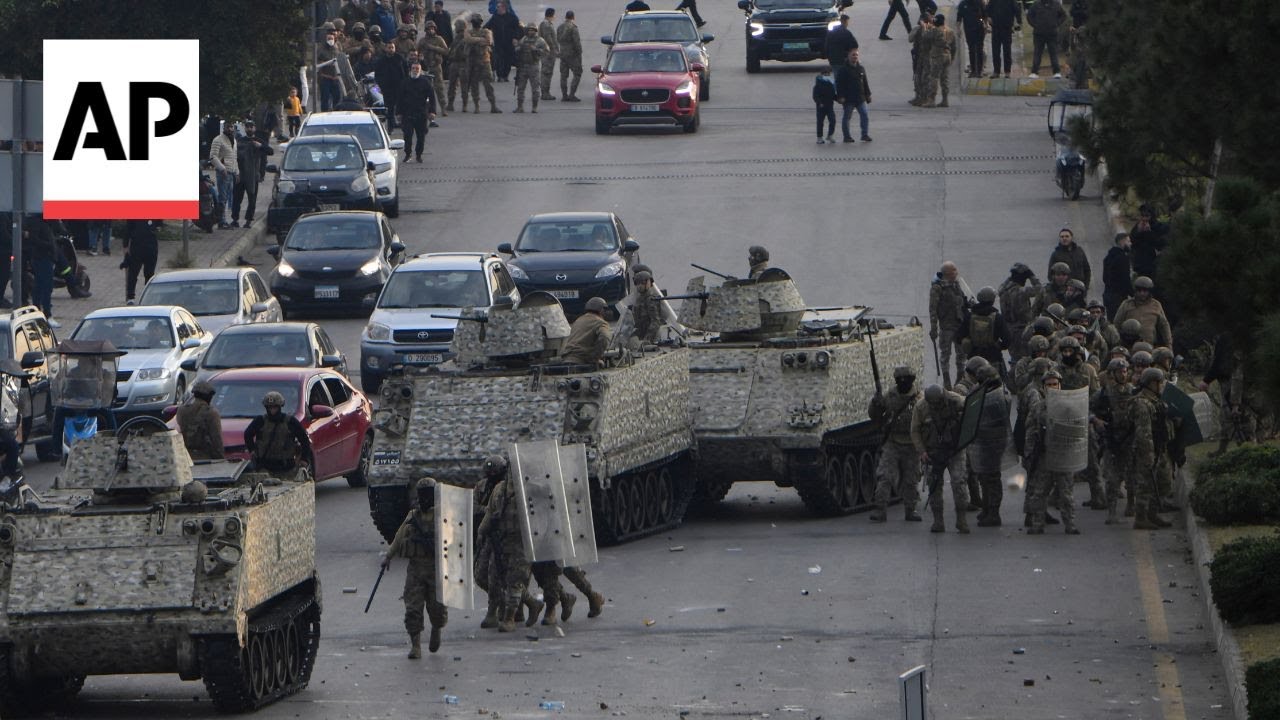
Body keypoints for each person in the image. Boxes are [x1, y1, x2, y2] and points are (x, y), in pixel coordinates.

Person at [382, 477, 448, 658]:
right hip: (416, 569)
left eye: (427, 494)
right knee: (413, 608)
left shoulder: (442, 515)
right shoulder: (413, 516)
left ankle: (436, 628)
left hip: (436, 568)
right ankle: (416, 645)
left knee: (437, 608)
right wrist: (388, 556)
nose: (424, 498)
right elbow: (399, 536)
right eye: (422, 494)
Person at [475, 452, 531, 632]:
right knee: (491, 578)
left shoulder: (527, 488)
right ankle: (524, 604)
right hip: (499, 539)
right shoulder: (499, 489)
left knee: (515, 579)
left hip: (520, 540)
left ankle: (510, 617)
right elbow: (490, 513)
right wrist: (481, 532)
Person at [1022, 369, 1078, 534]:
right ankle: (1037, 524)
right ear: (1044, 387)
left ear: (1060, 385)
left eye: (1055, 384)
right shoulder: (1038, 408)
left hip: (1063, 457)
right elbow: (1030, 431)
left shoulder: (1069, 407)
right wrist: (1029, 455)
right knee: (1039, 492)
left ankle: (1070, 524)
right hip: (1044, 457)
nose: (1052, 387)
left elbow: (1077, 431)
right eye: (1049, 385)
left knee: (1066, 494)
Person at [911, 384, 970, 533]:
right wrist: (922, 451)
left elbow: (970, 409)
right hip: (933, 452)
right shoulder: (921, 407)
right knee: (934, 485)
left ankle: (961, 519)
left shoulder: (955, 400)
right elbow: (915, 431)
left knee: (959, 482)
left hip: (954, 450)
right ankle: (938, 521)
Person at [867, 366, 923, 523]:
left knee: (911, 479)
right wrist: (875, 403)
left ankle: (910, 510)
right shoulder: (890, 396)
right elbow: (875, 416)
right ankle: (880, 509)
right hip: (893, 442)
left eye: (906, 381)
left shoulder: (919, 399)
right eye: (900, 381)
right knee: (885, 476)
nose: (903, 383)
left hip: (911, 444)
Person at [1129, 367, 1171, 530]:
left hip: (1159, 447)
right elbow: (1143, 432)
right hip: (1147, 450)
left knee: (1163, 482)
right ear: (1151, 383)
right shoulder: (1142, 403)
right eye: (1158, 382)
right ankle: (1140, 517)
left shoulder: (1156, 400)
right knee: (1145, 485)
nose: (1161, 385)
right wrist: (1148, 455)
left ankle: (1152, 514)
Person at [971, 365, 1011, 526]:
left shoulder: (1000, 396)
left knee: (992, 478)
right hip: (983, 440)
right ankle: (986, 508)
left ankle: (994, 513)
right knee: (983, 476)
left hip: (995, 442)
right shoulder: (987, 393)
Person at [243, 391, 313, 480]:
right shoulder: (260, 421)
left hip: (287, 468)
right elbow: (247, 434)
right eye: (270, 407)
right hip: (264, 467)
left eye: (275, 407)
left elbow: (304, 440)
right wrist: (252, 450)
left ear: (280, 407)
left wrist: (304, 459)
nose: (272, 410)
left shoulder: (290, 422)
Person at [929, 261, 967, 389]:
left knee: (961, 354)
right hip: (946, 327)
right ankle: (946, 381)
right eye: (954, 270)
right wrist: (933, 328)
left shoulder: (956, 284)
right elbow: (933, 309)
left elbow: (963, 301)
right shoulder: (937, 288)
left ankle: (960, 380)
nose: (956, 273)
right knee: (945, 354)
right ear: (947, 273)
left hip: (959, 325)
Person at [957, 286, 1011, 375]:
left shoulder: (970, 316)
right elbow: (1007, 340)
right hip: (993, 357)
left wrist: (969, 343)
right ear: (992, 300)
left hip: (974, 359)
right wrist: (999, 346)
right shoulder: (997, 317)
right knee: (996, 381)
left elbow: (958, 337)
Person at [232, 120, 273, 229]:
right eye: (247, 127)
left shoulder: (259, 141)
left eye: (251, 127)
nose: (249, 129)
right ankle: (235, 220)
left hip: (253, 176)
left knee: (252, 200)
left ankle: (248, 221)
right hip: (240, 175)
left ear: (254, 128)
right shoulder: (240, 141)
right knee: (237, 199)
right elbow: (234, 156)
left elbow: (270, 151)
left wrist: (260, 146)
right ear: (245, 128)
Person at [1112, 276, 1172, 348]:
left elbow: (1164, 325)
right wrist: (1117, 343)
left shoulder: (1156, 305)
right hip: (1129, 345)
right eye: (1139, 291)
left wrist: (1169, 344)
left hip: (1149, 346)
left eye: (1145, 291)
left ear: (1149, 291)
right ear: (1135, 291)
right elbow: (1116, 324)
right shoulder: (1127, 304)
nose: (1142, 293)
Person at [998, 263, 1040, 360]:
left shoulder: (1002, 290)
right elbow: (1040, 289)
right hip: (1023, 330)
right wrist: (1031, 276)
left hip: (1009, 330)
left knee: (1014, 359)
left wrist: (1011, 277)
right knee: (1026, 359)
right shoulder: (1023, 291)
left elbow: (1003, 286)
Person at [399, 60, 438, 162]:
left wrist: (432, 111)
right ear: (410, 70)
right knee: (407, 136)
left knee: (421, 136)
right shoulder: (405, 82)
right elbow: (399, 99)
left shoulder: (425, 82)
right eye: (413, 68)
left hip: (421, 113)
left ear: (420, 70)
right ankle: (408, 154)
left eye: (417, 69)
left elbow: (432, 98)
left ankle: (419, 154)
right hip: (407, 113)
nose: (415, 70)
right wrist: (398, 113)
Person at [176, 380, 225, 460]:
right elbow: (216, 439)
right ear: (210, 397)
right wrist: (221, 458)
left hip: (186, 457)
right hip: (205, 457)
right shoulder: (211, 413)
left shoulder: (182, 410)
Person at [22, 216, 56, 325]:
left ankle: (39, 310)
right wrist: (48, 245)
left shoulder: (44, 222)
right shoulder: (37, 222)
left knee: (41, 285)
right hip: (41, 257)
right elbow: (34, 239)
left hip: (45, 257)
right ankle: (46, 313)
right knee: (45, 286)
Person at [464, 13, 501, 113]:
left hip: (485, 61)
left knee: (488, 85)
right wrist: (481, 40)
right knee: (474, 85)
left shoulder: (486, 31)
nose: (476, 23)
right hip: (473, 62)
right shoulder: (468, 32)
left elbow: (489, 41)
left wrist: (475, 40)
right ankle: (477, 106)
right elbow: (468, 40)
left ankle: (493, 106)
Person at [833, 48, 872, 143]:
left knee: (864, 115)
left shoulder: (861, 68)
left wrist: (868, 94)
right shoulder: (843, 70)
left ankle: (864, 135)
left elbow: (865, 82)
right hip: (848, 99)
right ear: (848, 56)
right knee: (847, 117)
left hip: (860, 98)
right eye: (853, 55)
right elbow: (839, 84)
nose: (855, 56)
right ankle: (847, 137)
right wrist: (840, 96)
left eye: (856, 55)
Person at [561, 296, 611, 365]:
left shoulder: (578, 320)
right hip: (581, 361)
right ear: (601, 310)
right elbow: (604, 338)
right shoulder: (601, 323)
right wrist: (595, 358)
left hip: (566, 359)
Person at [512, 23, 549, 112]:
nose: (530, 32)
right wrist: (517, 47)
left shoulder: (540, 40)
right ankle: (520, 107)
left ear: (535, 31)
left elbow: (546, 51)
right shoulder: (524, 39)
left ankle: (534, 107)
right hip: (523, 67)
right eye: (529, 30)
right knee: (520, 88)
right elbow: (517, 50)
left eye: (532, 30)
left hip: (533, 66)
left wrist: (536, 49)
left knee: (535, 88)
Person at [207, 122, 238, 229]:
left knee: (228, 198)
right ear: (223, 128)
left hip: (232, 172)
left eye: (231, 127)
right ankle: (221, 221)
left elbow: (234, 157)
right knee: (222, 198)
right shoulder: (218, 140)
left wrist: (237, 172)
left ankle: (223, 220)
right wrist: (222, 168)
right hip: (223, 173)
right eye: (228, 127)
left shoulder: (234, 140)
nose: (230, 129)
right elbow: (212, 157)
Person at [122, 220, 160, 305]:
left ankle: (148, 296)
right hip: (136, 246)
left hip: (151, 246)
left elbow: (159, 225)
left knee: (149, 274)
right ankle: (130, 297)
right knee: (133, 273)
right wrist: (125, 246)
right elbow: (128, 229)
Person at [1026, 0, 1065, 78]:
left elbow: (1063, 15)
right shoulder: (1036, 4)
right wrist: (1035, 25)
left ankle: (1056, 72)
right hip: (1039, 34)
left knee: (1053, 53)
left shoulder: (1056, 4)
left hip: (1052, 33)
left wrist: (1057, 24)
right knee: (1037, 52)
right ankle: (1034, 72)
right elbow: (1029, 16)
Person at [1129, 204, 1168, 283]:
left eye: (1147, 216)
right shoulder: (1138, 226)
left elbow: (1160, 244)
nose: (1144, 218)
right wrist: (1138, 232)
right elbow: (1132, 241)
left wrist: (1149, 232)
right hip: (1140, 263)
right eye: (1142, 215)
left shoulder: (1159, 227)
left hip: (1153, 263)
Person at [417, 21, 450, 116]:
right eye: (429, 29)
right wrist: (420, 57)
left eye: (432, 29)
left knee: (439, 88)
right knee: (424, 89)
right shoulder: (422, 41)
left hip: (436, 66)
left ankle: (443, 108)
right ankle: (425, 109)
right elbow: (416, 51)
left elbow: (446, 51)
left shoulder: (439, 39)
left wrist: (434, 48)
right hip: (426, 67)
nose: (431, 30)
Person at [925, 14, 955, 108]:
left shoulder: (935, 30)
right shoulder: (950, 31)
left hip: (937, 56)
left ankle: (931, 100)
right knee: (944, 78)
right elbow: (954, 46)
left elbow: (925, 37)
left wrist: (926, 27)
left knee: (934, 77)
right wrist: (952, 57)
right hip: (947, 56)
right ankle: (945, 100)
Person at [485, 1, 520, 82]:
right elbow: (487, 26)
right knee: (499, 59)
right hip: (498, 42)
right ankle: (500, 76)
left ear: (504, 8)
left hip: (509, 42)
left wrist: (515, 38)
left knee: (508, 59)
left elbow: (517, 29)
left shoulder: (512, 17)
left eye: (498, 7)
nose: (497, 9)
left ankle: (505, 75)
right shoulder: (495, 17)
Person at [375, 40, 407, 128]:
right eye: (389, 48)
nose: (391, 49)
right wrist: (380, 86)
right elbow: (377, 74)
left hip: (399, 87)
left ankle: (403, 124)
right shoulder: (381, 60)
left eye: (392, 47)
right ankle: (391, 126)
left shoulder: (400, 59)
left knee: (401, 106)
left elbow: (405, 71)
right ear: (385, 49)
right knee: (389, 108)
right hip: (387, 89)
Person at [1102, 232, 1132, 320]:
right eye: (1128, 241)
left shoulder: (1108, 257)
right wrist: (1133, 294)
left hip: (1108, 295)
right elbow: (1125, 280)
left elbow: (1105, 278)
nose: (1130, 244)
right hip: (1119, 297)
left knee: (1111, 320)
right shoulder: (1123, 258)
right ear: (1122, 242)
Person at [986, 0, 1020, 78]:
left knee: (1007, 51)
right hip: (996, 28)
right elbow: (987, 10)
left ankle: (1007, 72)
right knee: (995, 51)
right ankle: (996, 71)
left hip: (1007, 28)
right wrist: (988, 17)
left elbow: (1017, 10)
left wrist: (1018, 22)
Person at [628, 270, 663, 345]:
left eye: (642, 283)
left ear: (648, 283)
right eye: (637, 283)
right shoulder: (639, 298)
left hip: (651, 337)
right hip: (642, 334)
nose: (639, 286)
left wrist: (647, 339)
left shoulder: (651, 299)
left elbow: (655, 322)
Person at [557, 10, 583, 101]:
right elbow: (576, 42)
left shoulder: (560, 27)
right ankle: (572, 94)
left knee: (563, 76)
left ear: (565, 17)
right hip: (572, 55)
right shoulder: (573, 28)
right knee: (577, 73)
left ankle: (564, 95)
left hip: (562, 54)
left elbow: (558, 39)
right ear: (573, 17)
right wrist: (579, 52)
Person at [956, 0, 986, 77]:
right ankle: (973, 71)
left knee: (979, 49)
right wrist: (958, 29)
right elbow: (959, 18)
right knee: (971, 50)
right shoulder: (963, 4)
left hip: (979, 29)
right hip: (969, 30)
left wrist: (985, 24)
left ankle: (979, 71)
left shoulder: (979, 3)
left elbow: (984, 15)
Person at [446, 17, 471, 111]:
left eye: (456, 26)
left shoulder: (465, 38)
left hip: (462, 63)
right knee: (454, 85)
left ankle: (461, 105)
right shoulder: (457, 37)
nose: (455, 27)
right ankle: (455, 104)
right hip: (456, 63)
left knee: (460, 85)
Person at [317, 29, 344, 111]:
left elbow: (341, 57)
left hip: (336, 78)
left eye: (332, 38)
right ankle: (324, 113)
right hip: (325, 77)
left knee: (337, 97)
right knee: (325, 98)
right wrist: (327, 63)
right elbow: (318, 62)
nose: (330, 40)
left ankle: (336, 112)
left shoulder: (337, 47)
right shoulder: (321, 49)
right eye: (329, 39)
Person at [538, 8, 560, 99]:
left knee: (547, 72)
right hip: (548, 53)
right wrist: (554, 49)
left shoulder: (546, 24)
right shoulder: (546, 25)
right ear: (552, 15)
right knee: (546, 73)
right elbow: (548, 38)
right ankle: (545, 93)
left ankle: (546, 92)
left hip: (548, 52)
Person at [812, 67, 837, 144]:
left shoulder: (831, 83)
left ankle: (830, 135)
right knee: (820, 122)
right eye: (825, 73)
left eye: (828, 73)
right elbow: (815, 96)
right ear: (822, 74)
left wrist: (838, 99)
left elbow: (833, 95)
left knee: (832, 120)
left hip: (830, 105)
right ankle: (819, 137)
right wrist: (819, 103)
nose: (827, 75)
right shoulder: (818, 84)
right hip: (821, 106)